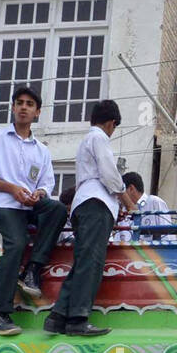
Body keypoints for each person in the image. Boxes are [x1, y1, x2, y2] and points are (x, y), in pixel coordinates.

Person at [0, 86, 66, 331]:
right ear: (13, 108)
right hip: (6, 204)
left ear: (37, 112)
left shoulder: (42, 150)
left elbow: (47, 183)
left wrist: (39, 193)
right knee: (14, 244)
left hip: (31, 205)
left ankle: (33, 269)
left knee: (57, 209)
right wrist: (12, 189)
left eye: (29, 104)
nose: (23, 107)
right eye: (19, 103)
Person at [45, 100, 132, 337]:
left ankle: (59, 315)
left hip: (84, 204)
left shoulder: (87, 139)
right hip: (96, 204)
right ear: (112, 123)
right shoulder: (99, 138)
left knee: (84, 261)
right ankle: (78, 319)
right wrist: (128, 203)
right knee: (91, 262)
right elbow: (110, 174)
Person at [115, 171, 171, 242]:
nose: (119, 196)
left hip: (153, 251)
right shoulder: (123, 210)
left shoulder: (154, 202)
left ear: (131, 188)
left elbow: (167, 235)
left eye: (122, 191)